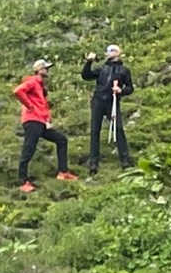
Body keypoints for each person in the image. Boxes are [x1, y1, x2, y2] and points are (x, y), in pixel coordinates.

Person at [13, 58, 76, 190]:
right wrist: (29, 106)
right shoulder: (32, 82)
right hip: (32, 121)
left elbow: (42, 105)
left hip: (40, 122)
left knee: (61, 140)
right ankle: (23, 182)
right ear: (39, 70)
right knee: (28, 149)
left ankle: (63, 172)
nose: (48, 70)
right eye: (46, 68)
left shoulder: (41, 86)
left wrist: (47, 119)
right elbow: (18, 91)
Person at [82, 43, 134, 173]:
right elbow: (86, 76)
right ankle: (93, 162)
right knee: (95, 131)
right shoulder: (102, 69)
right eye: (108, 51)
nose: (108, 53)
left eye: (111, 50)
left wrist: (120, 90)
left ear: (118, 52)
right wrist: (89, 62)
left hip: (113, 102)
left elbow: (130, 88)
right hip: (98, 101)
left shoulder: (124, 71)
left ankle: (125, 160)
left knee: (118, 129)